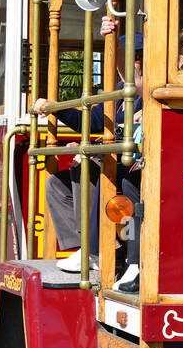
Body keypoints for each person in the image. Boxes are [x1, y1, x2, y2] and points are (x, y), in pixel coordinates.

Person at [34, 17, 142, 289]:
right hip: (118, 159)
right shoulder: (119, 93)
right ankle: (83, 246)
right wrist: (55, 108)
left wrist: (91, 152)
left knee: (90, 168)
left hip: (135, 165)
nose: (133, 64)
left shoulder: (142, 92)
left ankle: (96, 252)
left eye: (136, 58)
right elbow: (93, 121)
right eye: (130, 58)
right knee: (56, 185)